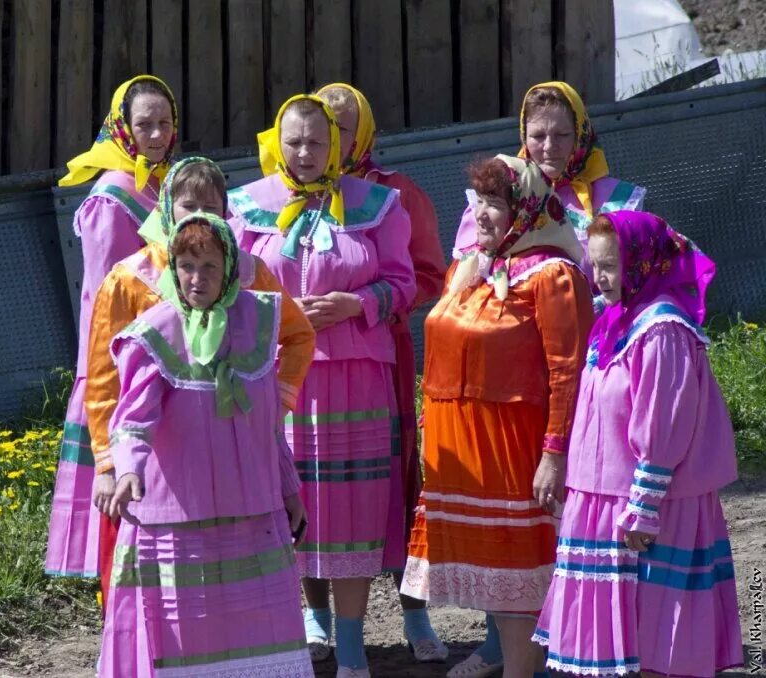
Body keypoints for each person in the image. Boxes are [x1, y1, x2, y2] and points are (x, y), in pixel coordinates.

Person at [233, 94, 416, 678]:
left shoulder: (379, 206)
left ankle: (355, 644)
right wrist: (282, 315)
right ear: (276, 143)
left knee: (354, 507)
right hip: (285, 377)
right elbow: (230, 292)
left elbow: (405, 284)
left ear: (337, 144)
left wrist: (354, 304)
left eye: (318, 141)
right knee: (295, 500)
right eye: (294, 142)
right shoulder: (247, 208)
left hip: (358, 378)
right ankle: (308, 622)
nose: (306, 153)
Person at [84, 156, 316, 608]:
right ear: (167, 207)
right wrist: (109, 463)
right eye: (188, 205)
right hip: (160, 453)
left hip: (233, 449)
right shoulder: (131, 279)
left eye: (211, 206)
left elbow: (297, 334)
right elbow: (104, 377)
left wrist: (275, 400)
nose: (198, 216)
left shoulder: (248, 273)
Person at [401, 154, 593, 678]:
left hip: (515, 453)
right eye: (479, 201)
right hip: (465, 456)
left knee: (523, 584)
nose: (482, 214)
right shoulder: (474, 267)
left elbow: (567, 372)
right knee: (506, 588)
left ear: (526, 209)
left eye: (497, 203)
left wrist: (553, 455)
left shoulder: (553, 276)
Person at [533, 210, 742, 677]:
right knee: (620, 646)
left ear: (643, 262)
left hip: (646, 509)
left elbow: (665, 425)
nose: (598, 275)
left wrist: (643, 506)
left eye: (610, 265)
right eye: (594, 263)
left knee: (653, 641)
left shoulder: (662, 329)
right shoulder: (615, 320)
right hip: (602, 500)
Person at [310, 82, 449, 663]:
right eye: (323, 128)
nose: (331, 140)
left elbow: (431, 277)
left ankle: (414, 612)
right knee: (313, 487)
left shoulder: (395, 195)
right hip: (311, 367)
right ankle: (318, 617)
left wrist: (363, 303)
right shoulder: (290, 198)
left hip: (379, 358)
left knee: (395, 480)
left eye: (343, 129)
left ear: (362, 132)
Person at [46, 75, 177, 592]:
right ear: (122, 128)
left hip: (166, 350)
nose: (155, 134)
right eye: (143, 124)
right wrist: (114, 367)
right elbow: (105, 297)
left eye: (164, 124)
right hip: (124, 358)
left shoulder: (165, 182)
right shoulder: (113, 196)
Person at [454, 81, 645, 282]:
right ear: (524, 137)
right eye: (537, 136)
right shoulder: (496, 196)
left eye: (562, 135)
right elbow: (467, 282)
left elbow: (632, 281)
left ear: (581, 135)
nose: (549, 147)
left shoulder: (618, 201)